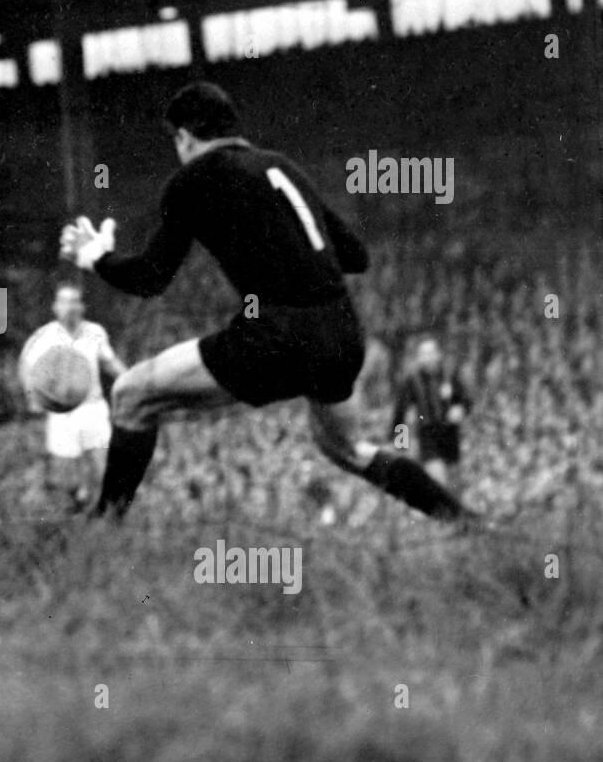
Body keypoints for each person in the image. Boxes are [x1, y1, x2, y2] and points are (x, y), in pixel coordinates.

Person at [60, 80, 471, 524]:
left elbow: (148, 279)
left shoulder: (191, 180)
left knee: (130, 395)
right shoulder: (282, 167)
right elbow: (356, 256)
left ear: (184, 136)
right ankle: (466, 522)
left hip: (279, 335)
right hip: (341, 333)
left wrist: (95, 257)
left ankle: (105, 524)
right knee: (349, 450)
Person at [19, 283, 126, 511]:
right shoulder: (44, 337)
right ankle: (79, 502)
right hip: (62, 413)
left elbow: (109, 362)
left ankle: (107, 513)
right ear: (55, 307)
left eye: (75, 301)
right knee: (66, 477)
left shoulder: (95, 332)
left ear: (82, 306)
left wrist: (130, 379)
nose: (71, 306)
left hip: (93, 408)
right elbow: (28, 369)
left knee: (103, 466)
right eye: (65, 301)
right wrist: (33, 398)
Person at [390, 335, 471, 487]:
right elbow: (400, 413)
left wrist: (460, 409)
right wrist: (400, 443)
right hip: (428, 437)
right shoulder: (412, 380)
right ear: (418, 358)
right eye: (423, 354)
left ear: (438, 354)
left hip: (450, 434)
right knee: (439, 483)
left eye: (431, 353)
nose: (428, 358)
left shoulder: (449, 374)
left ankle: (451, 510)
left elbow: (466, 400)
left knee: (455, 486)